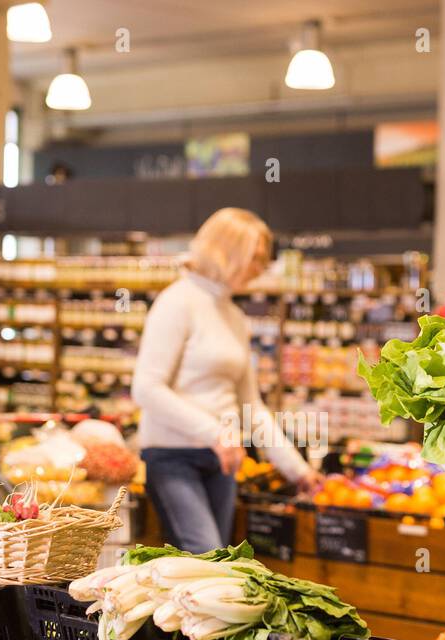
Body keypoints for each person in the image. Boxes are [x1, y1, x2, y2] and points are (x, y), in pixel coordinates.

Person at [133, 208, 323, 553]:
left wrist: (297, 470)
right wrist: (215, 433)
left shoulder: (234, 316)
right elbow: (146, 389)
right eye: (256, 257)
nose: (261, 268)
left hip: (221, 461)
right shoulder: (176, 303)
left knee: (218, 563)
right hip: (173, 458)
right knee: (206, 557)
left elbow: (252, 407)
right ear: (227, 251)